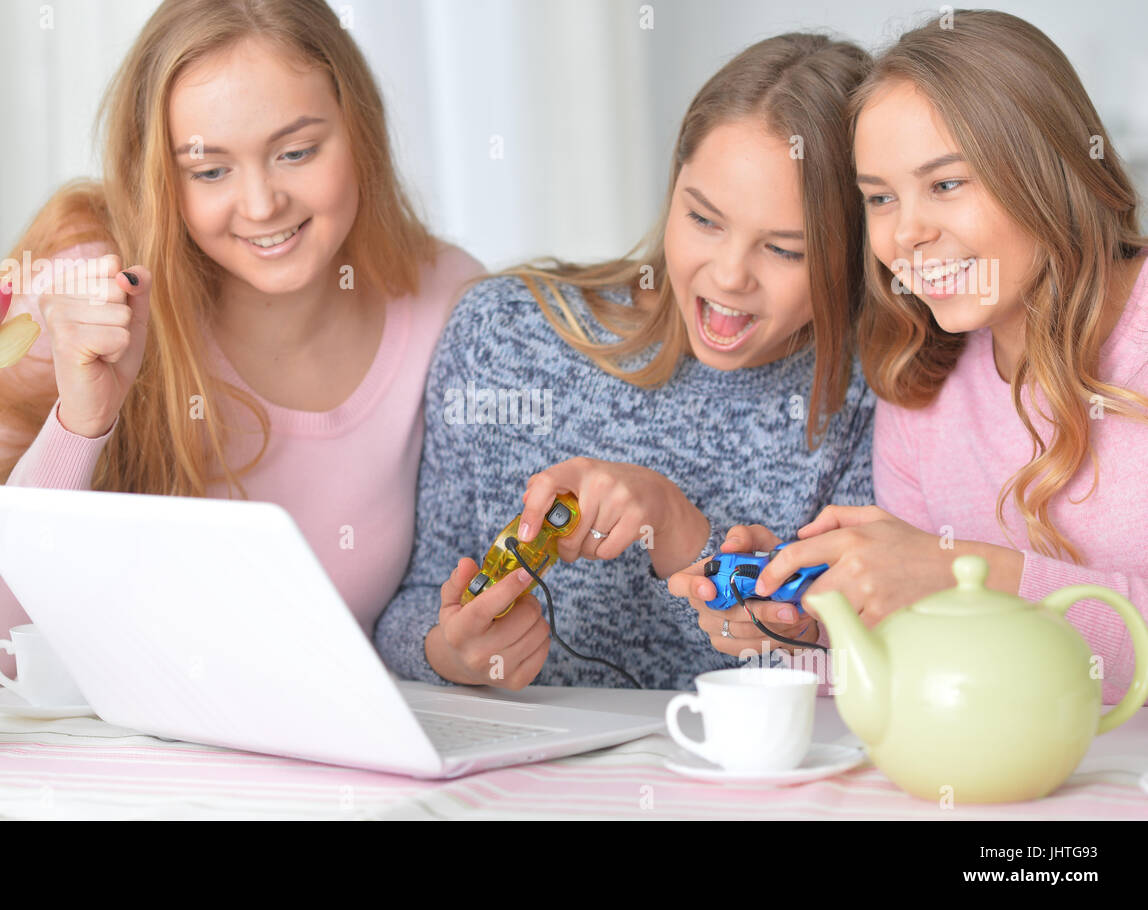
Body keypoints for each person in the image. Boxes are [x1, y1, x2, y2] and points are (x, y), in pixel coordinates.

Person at [0, 0, 482, 685]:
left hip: (336, 767)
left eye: (297, 152)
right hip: (115, 764)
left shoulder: (447, 298)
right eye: (210, 170)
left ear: (359, 130)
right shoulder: (83, 281)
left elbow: (432, 602)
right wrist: (82, 421)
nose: (261, 204)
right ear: (160, 172)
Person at [374, 33, 876, 690]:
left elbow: (850, 678)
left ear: (854, 256)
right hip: (513, 780)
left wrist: (682, 535)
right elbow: (404, 612)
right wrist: (450, 652)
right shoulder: (504, 332)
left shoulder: (872, 401)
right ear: (674, 188)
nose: (728, 276)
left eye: (785, 251)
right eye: (703, 219)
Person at [752, 10, 1148, 706]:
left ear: (1047, 167)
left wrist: (969, 573)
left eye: (946, 184)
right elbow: (929, 677)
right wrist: (802, 629)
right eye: (879, 197)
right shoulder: (919, 383)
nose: (906, 232)